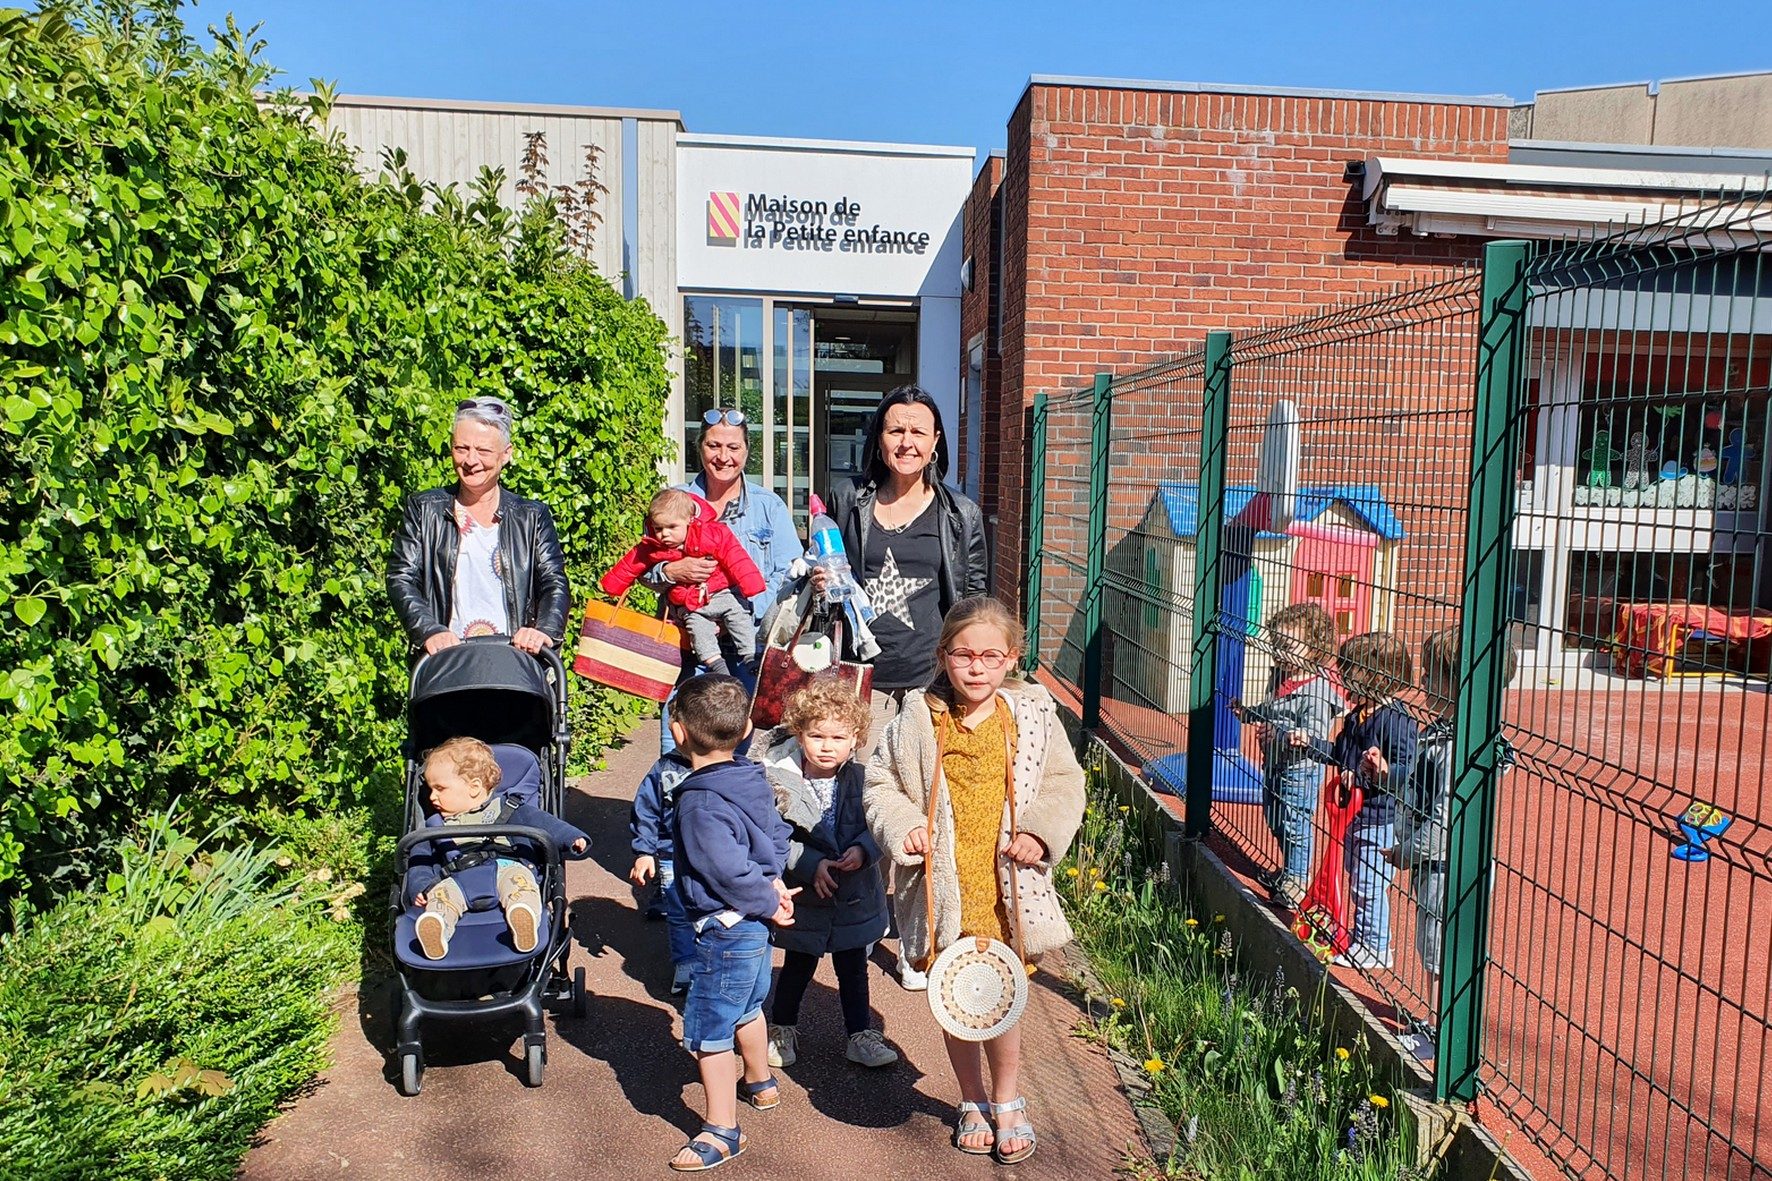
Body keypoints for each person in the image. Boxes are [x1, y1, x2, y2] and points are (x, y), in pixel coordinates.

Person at [864, 596, 1086, 1164]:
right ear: (944, 656)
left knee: (1005, 992)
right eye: (964, 654)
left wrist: (1039, 833)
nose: (978, 667)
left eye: (992, 655)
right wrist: (903, 824)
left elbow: (1066, 782)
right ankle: (971, 1099)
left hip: (1007, 884)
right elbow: (881, 784)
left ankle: (1007, 1100)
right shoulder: (917, 715)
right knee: (956, 995)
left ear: (1012, 657)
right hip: (941, 887)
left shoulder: (1033, 714)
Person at [667, 675, 797, 1173]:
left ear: (678, 733)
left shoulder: (698, 803)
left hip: (726, 927)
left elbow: (724, 870)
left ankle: (721, 1129)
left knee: (709, 1028)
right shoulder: (751, 777)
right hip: (756, 924)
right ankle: (760, 1081)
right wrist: (773, 887)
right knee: (748, 1003)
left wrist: (764, 896)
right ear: (745, 729)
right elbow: (777, 838)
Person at [819, 386, 990, 755]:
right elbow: (822, 572)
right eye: (896, 431)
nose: (906, 443)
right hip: (861, 679)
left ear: (935, 442)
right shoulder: (847, 499)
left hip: (932, 683)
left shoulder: (961, 513)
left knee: (927, 789)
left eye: (918, 433)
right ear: (879, 438)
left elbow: (975, 602)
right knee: (864, 786)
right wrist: (821, 581)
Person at [1382, 627, 1516, 1059]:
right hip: (1438, 862)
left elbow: (1443, 821)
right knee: (1435, 945)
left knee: (1442, 950)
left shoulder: (1458, 746)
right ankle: (1441, 1021)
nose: (1422, 682)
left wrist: (1404, 853)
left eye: (1430, 676)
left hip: (1446, 864)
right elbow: (1421, 782)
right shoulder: (1442, 733)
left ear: (1458, 685)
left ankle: (1444, 1033)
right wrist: (1389, 775)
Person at [759, 678, 896, 1071]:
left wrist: (864, 850)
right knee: (798, 963)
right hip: (806, 892)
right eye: (816, 735)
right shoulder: (779, 781)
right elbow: (774, 835)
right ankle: (782, 1028)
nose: (826, 745)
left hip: (854, 891)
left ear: (855, 739)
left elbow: (877, 824)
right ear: (799, 734)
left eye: (838, 737)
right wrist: (809, 863)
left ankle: (860, 1034)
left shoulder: (862, 779)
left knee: (853, 966)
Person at [653, 408, 801, 753]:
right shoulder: (673, 501)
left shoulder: (768, 507)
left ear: (746, 450)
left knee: (738, 753)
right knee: (677, 751)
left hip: (746, 655)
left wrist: (735, 615)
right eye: (714, 446)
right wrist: (671, 572)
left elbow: (788, 577)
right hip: (686, 654)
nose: (723, 457)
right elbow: (643, 563)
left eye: (733, 448)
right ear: (700, 448)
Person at [386, 396, 570, 657]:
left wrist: (543, 630)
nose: (471, 460)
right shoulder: (425, 510)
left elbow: (554, 583)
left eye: (483, 451)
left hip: (516, 663)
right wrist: (428, 630)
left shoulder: (532, 517)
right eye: (461, 448)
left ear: (506, 455)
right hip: (446, 663)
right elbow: (401, 578)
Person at [1295, 630, 1419, 971]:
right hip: (1352, 812)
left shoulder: (1397, 721)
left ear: (1376, 676)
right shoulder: (1355, 717)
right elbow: (1339, 754)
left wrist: (1381, 770)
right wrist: (1310, 743)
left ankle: (1375, 945)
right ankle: (1364, 938)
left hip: (1380, 816)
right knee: (1355, 876)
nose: (1345, 678)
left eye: (1351, 671)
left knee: (1369, 881)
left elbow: (1407, 769)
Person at [404, 737, 590, 960]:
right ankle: (437, 927)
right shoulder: (435, 826)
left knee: (521, 884)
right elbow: (420, 858)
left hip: (506, 868)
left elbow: (544, 823)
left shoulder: (509, 808)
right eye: (430, 789)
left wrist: (571, 837)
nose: (432, 796)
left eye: (440, 788)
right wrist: (421, 886)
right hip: (456, 877)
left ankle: (522, 917)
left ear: (474, 787)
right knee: (441, 896)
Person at [1230, 603, 1344, 908]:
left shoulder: (1317, 694)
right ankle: (1290, 870)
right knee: (1276, 817)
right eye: (1276, 644)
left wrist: (1278, 736)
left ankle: (1297, 880)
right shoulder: (1281, 678)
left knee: (1295, 822)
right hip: (1275, 764)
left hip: (1300, 770)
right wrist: (1249, 713)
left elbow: (1312, 738)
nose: (1280, 652)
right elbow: (1273, 709)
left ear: (1313, 647)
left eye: (1288, 645)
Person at [604, 489, 766, 678]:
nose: (664, 535)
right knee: (699, 633)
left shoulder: (711, 533)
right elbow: (628, 566)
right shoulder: (652, 547)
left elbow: (735, 557)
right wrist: (612, 585)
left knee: (739, 615)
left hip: (720, 592)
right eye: (658, 529)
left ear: (690, 520)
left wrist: (751, 584)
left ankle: (749, 656)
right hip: (690, 604)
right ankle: (718, 667)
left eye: (672, 527)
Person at [628, 747, 695, 995]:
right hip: (671, 851)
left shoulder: (725, 762)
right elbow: (645, 810)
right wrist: (644, 852)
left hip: (713, 853)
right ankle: (685, 963)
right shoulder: (665, 768)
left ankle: (710, 962)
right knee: (678, 908)